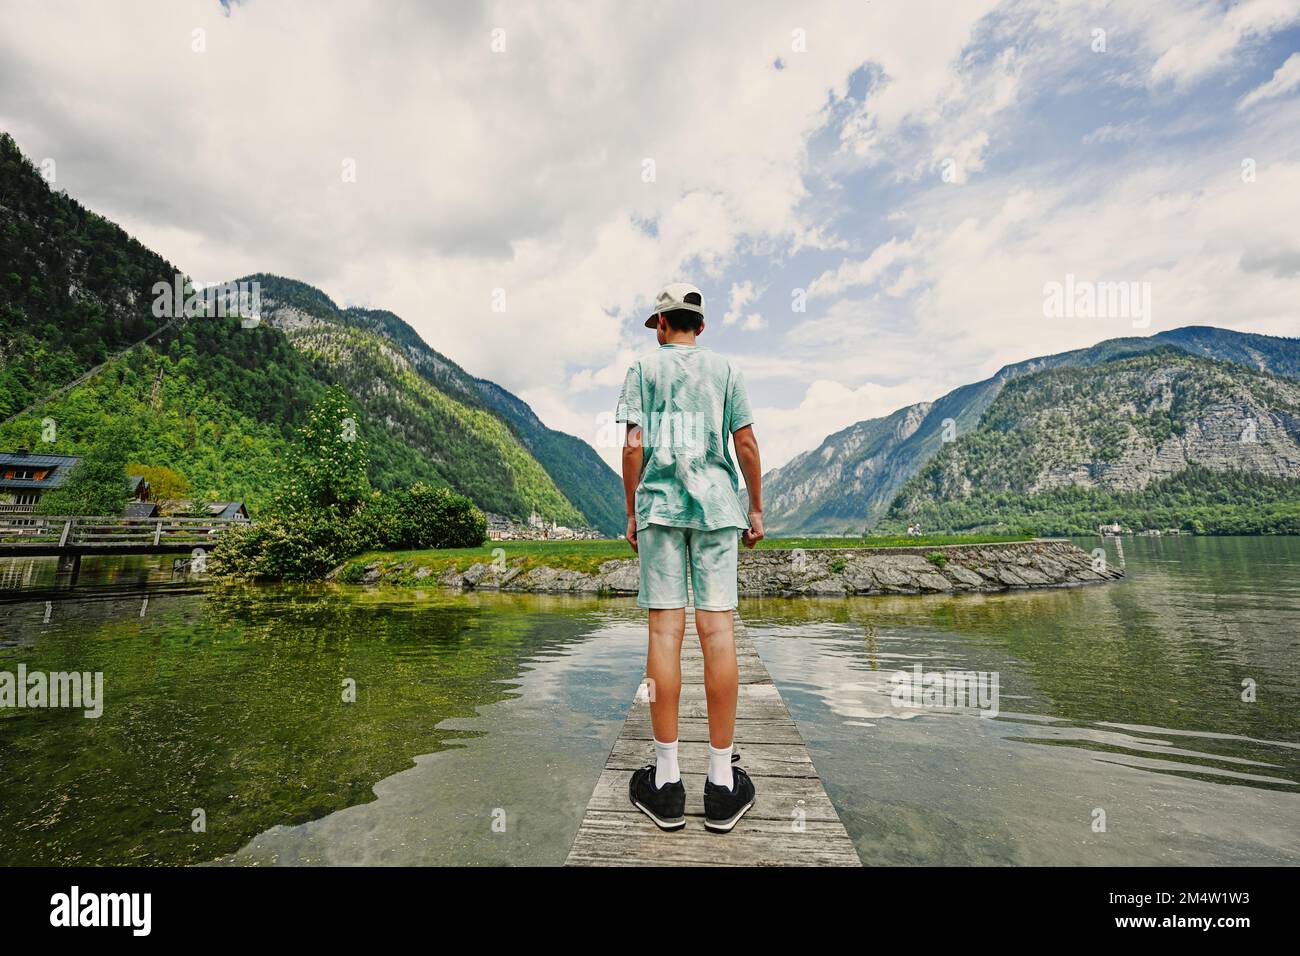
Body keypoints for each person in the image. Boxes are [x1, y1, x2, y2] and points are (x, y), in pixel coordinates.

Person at [615, 281, 764, 833]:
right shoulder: (725, 370)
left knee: (663, 636)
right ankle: (723, 786)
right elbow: (745, 444)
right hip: (719, 508)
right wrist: (756, 510)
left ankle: (667, 782)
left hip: (658, 508)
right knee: (718, 632)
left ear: (660, 324)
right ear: (700, 327)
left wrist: (632, 512)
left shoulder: (642, 370)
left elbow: (633, 445)